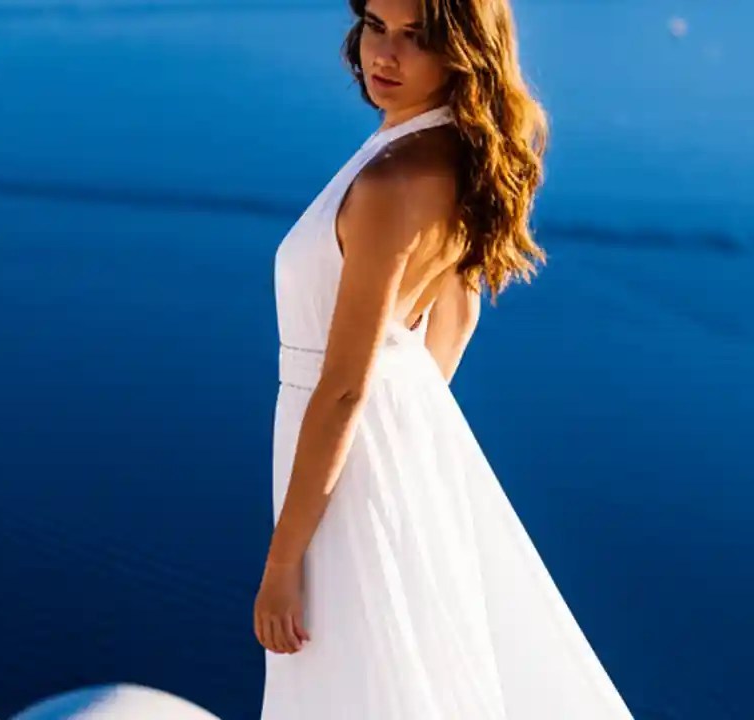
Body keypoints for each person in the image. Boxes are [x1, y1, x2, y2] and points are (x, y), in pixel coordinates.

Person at [255, 0, 635, 716]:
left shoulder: (392, 182)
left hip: (339, 448)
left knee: (343, 675)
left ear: (462, 50)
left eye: (416, 38)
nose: (385, 56)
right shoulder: (449, 152)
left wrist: (282, 562)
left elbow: (340, 390)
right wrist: (407, 452)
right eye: (376, 26)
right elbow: (453, 324)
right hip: (384, 438)